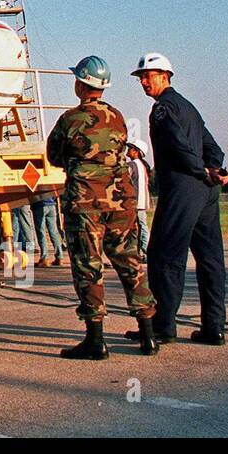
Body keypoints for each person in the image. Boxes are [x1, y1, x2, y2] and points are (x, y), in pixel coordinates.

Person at [46, 56, 158, 359]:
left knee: (88, 268)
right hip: (121, 201)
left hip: (85, 204)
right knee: (130, 263)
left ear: (81, 84)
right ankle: (148, 335)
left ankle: (95, 341)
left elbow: (54, 156)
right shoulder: (118, 116)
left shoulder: (70, 119)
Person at [130, 53, 228, 346]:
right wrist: (215, 170)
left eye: (149, 76)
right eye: (141, 78)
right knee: (210, 260)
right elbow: (212, 146)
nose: (144, 82)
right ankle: (214, 327)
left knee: (164, 257)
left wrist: (201, 170)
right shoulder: (189, 107)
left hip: (184, 188)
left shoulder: (162, 109)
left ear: (166, 76)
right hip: (206, 192)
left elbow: (179, 146)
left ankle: (163, 326)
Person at [126, 140, 153, 260]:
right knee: (142, 226)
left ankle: (145, 251)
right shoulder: (143, 165)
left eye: (131, 148)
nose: (128, 150)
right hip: (142, 201)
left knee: (138, 227)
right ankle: (143, 252)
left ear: (136, 152)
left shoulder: (132, 165)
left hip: (135, 201)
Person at [31, 192, 66, 266]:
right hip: (51, 204)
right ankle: (59, 257)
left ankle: (44, 257)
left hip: (39, 205)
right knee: (54, 232)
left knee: (41, 232)